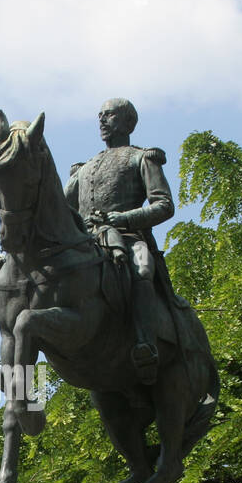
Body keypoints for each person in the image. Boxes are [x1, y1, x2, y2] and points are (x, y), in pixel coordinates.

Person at [64, 98, 175, 385]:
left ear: (127, 122)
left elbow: (164, 206)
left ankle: (144, 343)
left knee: (141, 270)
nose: (102, 120)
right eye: (99, 115)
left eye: (109, 115)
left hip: (126, 237)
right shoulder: (83, 168)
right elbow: (61, 210)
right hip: (82, 241)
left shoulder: (142, 158)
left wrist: (122, 219)